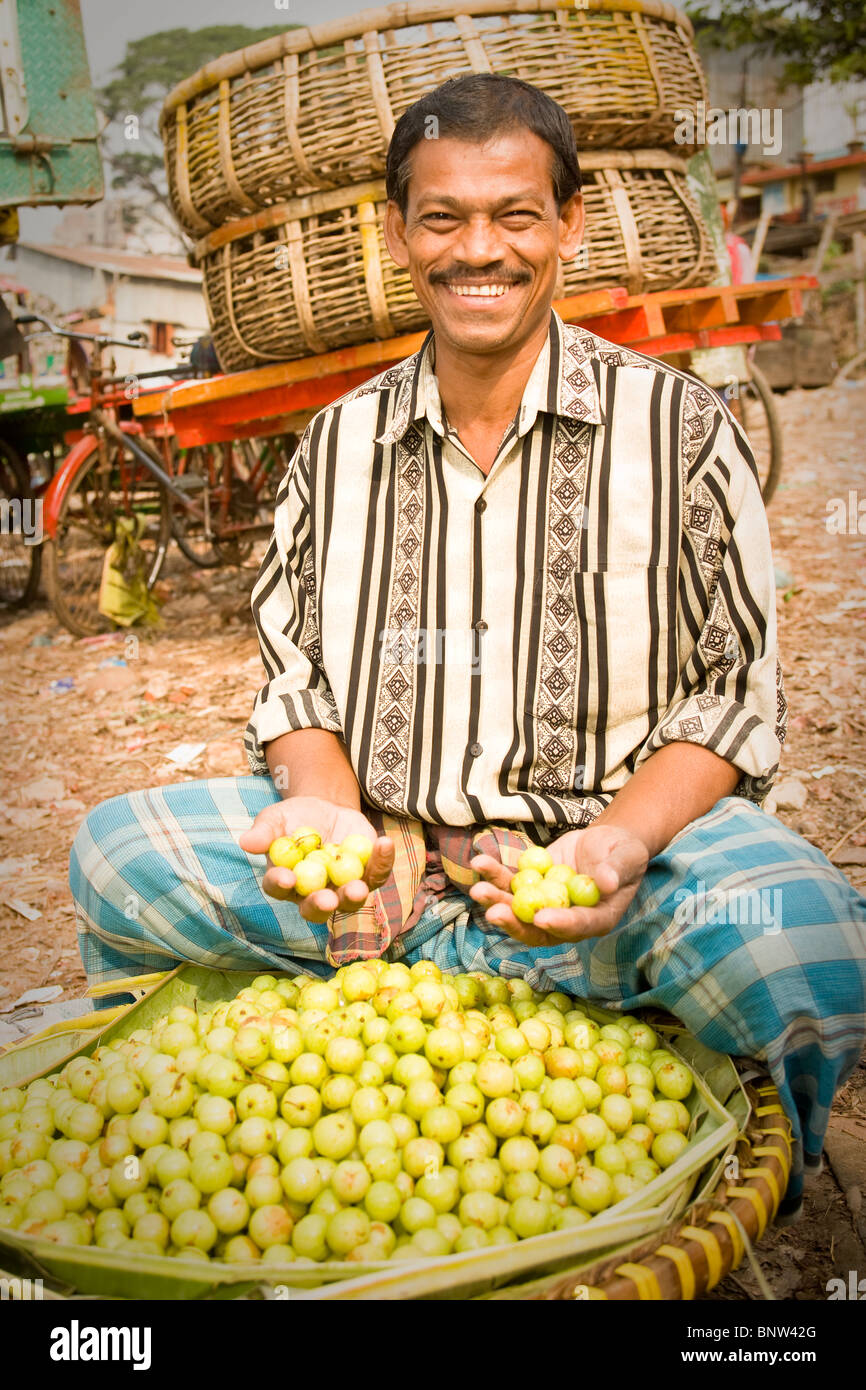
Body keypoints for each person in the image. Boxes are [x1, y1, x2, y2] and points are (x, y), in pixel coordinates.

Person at [70, 75, 865, 1223]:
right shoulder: (337, 446)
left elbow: (729, 698)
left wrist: (618, 845)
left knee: (800, 934)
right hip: (381, 877)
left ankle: (752, 1167)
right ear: (398, 233)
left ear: (567, 226)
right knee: (116, 854)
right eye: (442, 218)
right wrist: (329, 812)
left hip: (599, 884)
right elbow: (295, 674)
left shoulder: (677, 427)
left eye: (513, 215)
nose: (476, 250)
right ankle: (408, 1016)